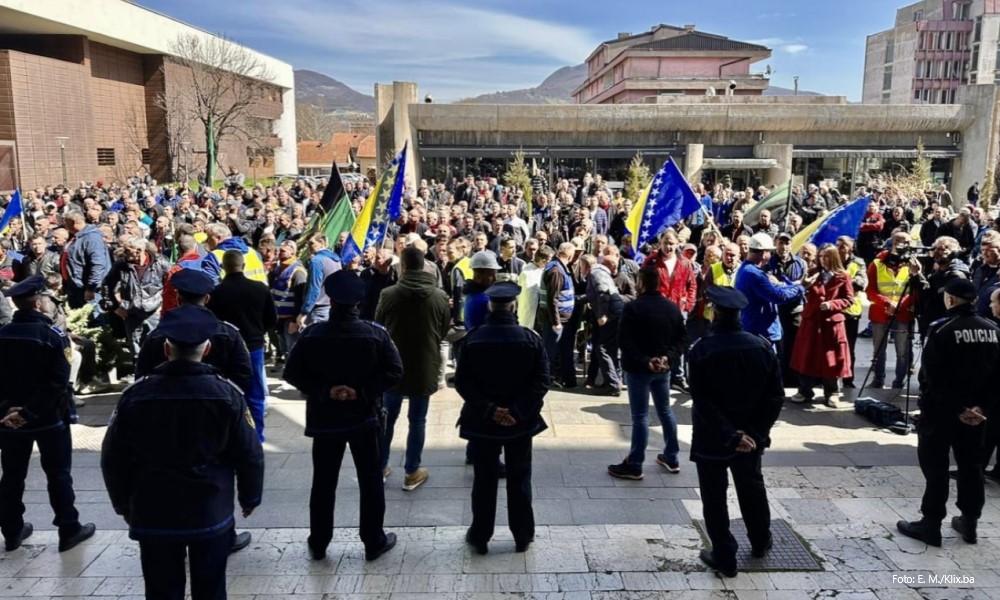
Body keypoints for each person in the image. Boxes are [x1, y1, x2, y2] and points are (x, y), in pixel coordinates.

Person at [101, 308, 264, 599]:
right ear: (208, 349)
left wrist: (122, 503)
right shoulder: (227, 394)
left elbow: (113, 456)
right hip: (208, 508)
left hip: (153, 507)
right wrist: (250, 497)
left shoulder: (136, 395)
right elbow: (249, 452)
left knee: (161, 589)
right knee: (211, 587)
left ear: (165, 350)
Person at [283, 270, 403, 562]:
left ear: (331, 301)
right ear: (359, 301)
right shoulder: (375, 334)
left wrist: (326, 391)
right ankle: (373, 540)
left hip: (325, 419)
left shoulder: (312, 334)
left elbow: (292, 373)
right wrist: (361, 392)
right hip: (365, 418)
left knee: (324, 482)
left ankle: (320, 540)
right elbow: (394, 371)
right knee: (370, 480)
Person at [689, 286, 784, 578]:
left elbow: (703, 402)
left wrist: (732, 435)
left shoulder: (702, 350)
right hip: (751, 440)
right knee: (752, 489)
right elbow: (775, 397)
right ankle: (760, 540)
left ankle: (724, 556)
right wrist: (752, 434)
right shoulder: (761, 346)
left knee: (714, 498)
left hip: (713, 439)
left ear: (715, 313)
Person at [897, 279, 1000, 547]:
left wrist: (957, 408)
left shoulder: (942, 329)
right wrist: (980, 408)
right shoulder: (994, 330)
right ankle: (970, 521)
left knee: (936, 468)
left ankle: (931, 523)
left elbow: (932, 378)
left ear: (950, 300)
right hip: (977, 416)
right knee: (971, 467)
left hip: (941, 413)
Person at [0, 275, 96, 553]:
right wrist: (29, 412)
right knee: (58, 474)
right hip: (48, 419)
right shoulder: (52, 336)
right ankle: (68, 528)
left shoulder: (3, 335)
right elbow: (57, 383)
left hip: (9, 421)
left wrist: (9, 410)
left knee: (12, 475)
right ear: (40, 303)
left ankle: (12, 530)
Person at [456, 281, 550, 555]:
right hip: (520, 423)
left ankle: (480, 535)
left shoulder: (473, 338)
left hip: (482, 423)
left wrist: (490, 410)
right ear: (513, 306)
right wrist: (517, 411)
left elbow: (463, 383)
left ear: (490, 306)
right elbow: (542, 381)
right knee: (520, 478)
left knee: (483, 480)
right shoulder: (530, 338)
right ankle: (522, 534)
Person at [374, 246, 451, 490]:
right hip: (424, 365)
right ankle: (412, 471)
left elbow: (378, 327)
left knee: (387, 417)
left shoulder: (388, 294)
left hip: (393, 366)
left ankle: (380, 466)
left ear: (403, 266)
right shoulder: (439, 296)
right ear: (424, 266)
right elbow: (443, 330)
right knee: (418, 420)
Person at [608, 268, 688, 480]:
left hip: (639, 369)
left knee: (641, 417)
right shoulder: (671, 307)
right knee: (665, 411)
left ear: (641, 283)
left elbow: (624, 341)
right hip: (663, 369)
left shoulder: (633, 308)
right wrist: (667, 358)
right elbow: (681, 339)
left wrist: (646, 360)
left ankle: (635, 464)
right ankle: (672, 456)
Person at [207, 250, 278, 442]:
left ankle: (229, 436)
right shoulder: (260, 289)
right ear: (243, 266)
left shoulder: (215, 293)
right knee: (255, 392)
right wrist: (258, 331)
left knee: (227, 391)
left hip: (225, 348)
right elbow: (272, 319)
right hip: (253, 345)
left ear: (223, 268)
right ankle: (256, 436)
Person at [789, 246, 855, 407]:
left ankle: (832, 392)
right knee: (807, 356)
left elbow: (849, 299)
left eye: (827, 256)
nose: (823, 260)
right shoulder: (812, 273)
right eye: (821, 256)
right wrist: (804, 286)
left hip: (831, 325)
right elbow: (800, 291)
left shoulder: (843, 276)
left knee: (831, 359)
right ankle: (805, 390)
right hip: (812, 321)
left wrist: (832, 304)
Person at [735, 233, 805, 352]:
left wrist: (787, 286)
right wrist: (798, 288)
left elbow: (775, 290)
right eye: (769, 252)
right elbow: (779, 296)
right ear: (763, 254)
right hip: (760, 333)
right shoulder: (755, 274)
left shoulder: (746, 269)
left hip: (756, 330)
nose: (771, 255)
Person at [867, 231, 917, 389]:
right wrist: (887, 302)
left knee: (902, 351)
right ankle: (878, 379)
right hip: (881, 312)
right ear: (893, 243)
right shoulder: (877, 263)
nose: (905, 246)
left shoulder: (913, 263)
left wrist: (899, 304)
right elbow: (870, 289)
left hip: (903, 313)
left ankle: (898, 382)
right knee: (879, 349)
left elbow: (916, 291)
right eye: (902, 242)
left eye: (908, 242)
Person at [581, 254, 624, 395]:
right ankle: (613, 381)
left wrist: (602, 314)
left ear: (586, 265)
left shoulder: (595, 273)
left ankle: (613, 384)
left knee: (602, 348)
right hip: (616, 312)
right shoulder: (600, 273)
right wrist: (576, 299)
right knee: (609, 348)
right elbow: (593, 295)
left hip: (611, 314)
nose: (580, 269)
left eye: (581, 266)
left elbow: (602, 294)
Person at [537, 242, 578, 388]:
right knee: (550, 351)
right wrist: (556, 322)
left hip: (562, 318)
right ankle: (544, 379)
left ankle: (569, 380)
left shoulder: (559, 267)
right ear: (570, 255)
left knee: (564, 350)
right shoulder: (556, 271)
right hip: (556, 319)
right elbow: (552, 299)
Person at [836, 236, 868, 388]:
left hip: (851, 311)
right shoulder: (832, 260)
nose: (840, 248)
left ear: (851, 248)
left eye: (843, 245)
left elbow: (862, 283)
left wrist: (843, 279)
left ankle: (848, 378)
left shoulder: (858, 262)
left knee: (849, 347)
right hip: (834, 310)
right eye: (838, 245)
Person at [296, 233, 342, 328]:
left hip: (318, 310)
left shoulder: (317, 261)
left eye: (312, 243)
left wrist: (304, 312)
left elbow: (314, 288)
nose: (309, 247)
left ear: (321, 242)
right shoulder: (336, 260)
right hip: (332, 308)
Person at [463, 250, 500, 330]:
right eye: (490, 274)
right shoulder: (483, 300)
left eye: (495, 274)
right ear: (478, 276)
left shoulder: (471, 294)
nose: (495, 278)